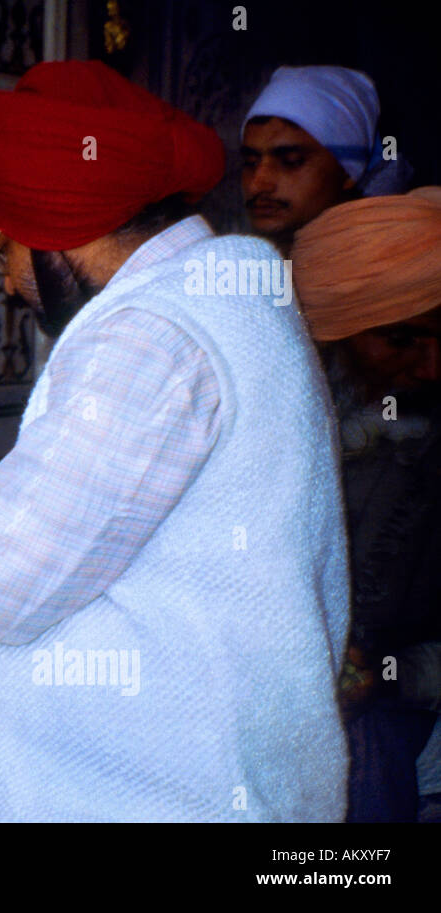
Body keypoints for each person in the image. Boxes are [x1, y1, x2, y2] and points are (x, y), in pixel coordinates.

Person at [0, 60, 349, 822]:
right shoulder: (229, 296)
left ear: (57, 229)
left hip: (164, 794)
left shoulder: (147, 337)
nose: (6, 282)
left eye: (6, 249)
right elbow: (97, 538)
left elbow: (11, 585)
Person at [292, 187, 441, 822]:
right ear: (328, 344)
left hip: (399, 701)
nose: (431, 368)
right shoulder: (281, 436)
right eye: (400, 341)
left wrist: (385, 675)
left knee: (358, 742)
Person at [240, 65, 411, 255]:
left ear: (348, 171)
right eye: (250, 162)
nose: (258, 185)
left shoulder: (393, 271)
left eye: (291, 161)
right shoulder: (240, 267)